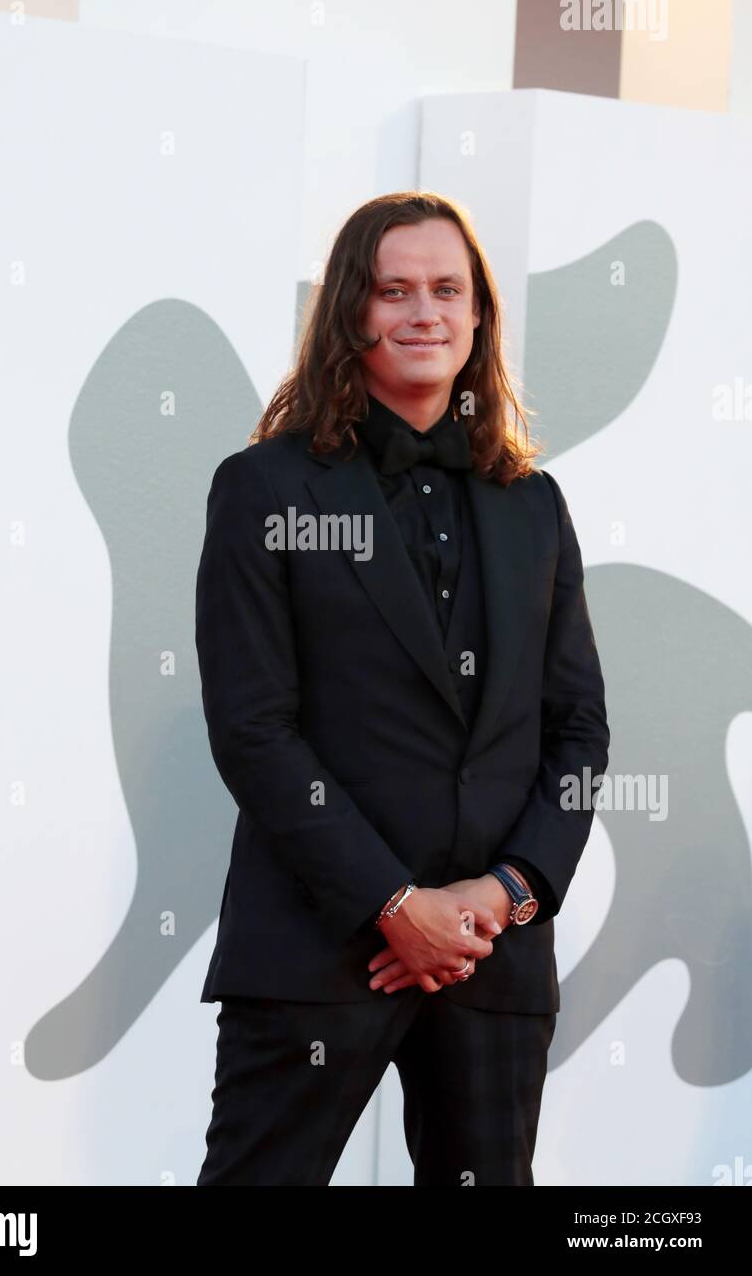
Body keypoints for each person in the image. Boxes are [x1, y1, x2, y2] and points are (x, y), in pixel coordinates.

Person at [194, 190, 609, 1186]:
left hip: (489, 959)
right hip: (312, 947)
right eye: (392, 289)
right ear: (350, 311)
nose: (422, 311)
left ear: (476, 318)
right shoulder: (262, 488)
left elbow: (577, 732)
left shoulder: (534, 506)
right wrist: (390, 901)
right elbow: (254, 730)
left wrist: (503, 894)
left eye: (444, 289)